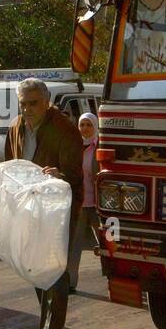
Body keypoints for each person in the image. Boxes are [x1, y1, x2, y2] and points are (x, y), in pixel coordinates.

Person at [3, 78, 83, 329]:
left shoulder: (65, 130)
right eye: (23, 104)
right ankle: (51, 324)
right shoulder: (15, 128)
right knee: (37, 269)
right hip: (28, 210)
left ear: (47, 102)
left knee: (55, 271)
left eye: (33, 103)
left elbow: (74, 177)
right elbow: (9, 166)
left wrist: (58, 175)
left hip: (57, 212)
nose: (27, 109)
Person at [66, 112, 99, 293]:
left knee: (109, 241)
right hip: (79, 202)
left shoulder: (99, 146)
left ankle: (115, 279)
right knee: (74, 244)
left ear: (95, 127)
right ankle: (71, 282)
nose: (85, 129)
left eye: (89, 125)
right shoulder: (74, 147)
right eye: (82, 125)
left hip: (99, 204)